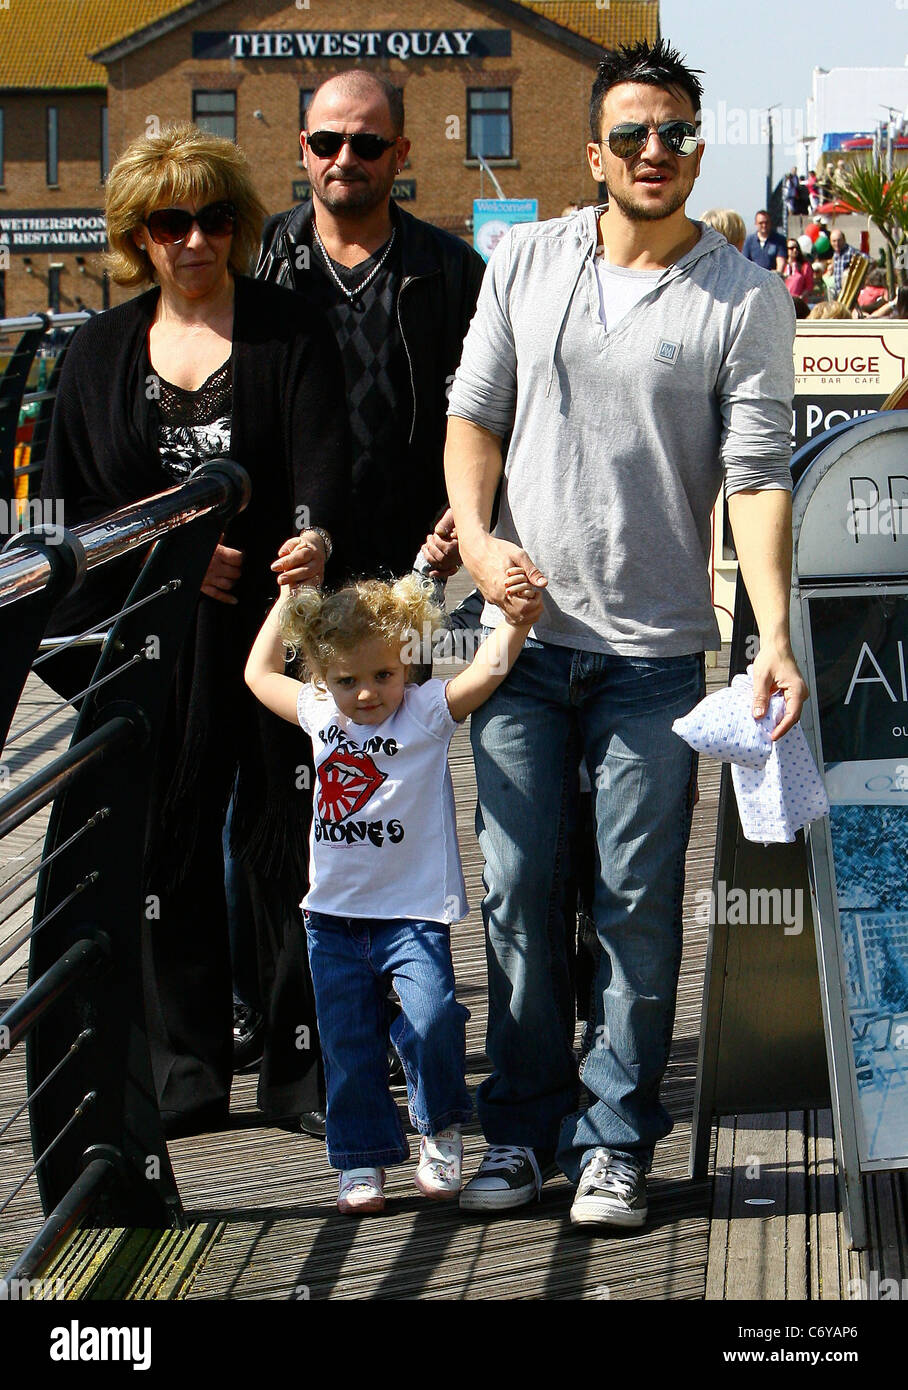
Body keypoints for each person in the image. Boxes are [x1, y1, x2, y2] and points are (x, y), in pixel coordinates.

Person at [444, 37, 808, 1229]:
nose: (657, 152)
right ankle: (520, 1127)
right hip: (516, 646)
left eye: (677, 134)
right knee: (513, 890)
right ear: (593, 151)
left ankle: (610, 1139)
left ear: (695, 149)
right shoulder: (527, 258)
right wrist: (478, 536)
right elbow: (471, 417)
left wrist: (768, 635)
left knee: (637, 902)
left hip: (654, 658)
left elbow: (755, 478)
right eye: (634, 134)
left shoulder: (743, 294)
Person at [40, 124, 350, 1138]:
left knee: (291, 849)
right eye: (170, 222)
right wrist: (165, 557)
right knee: (165, 851)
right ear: (137, 235)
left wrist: (309, 542)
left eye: (214, 219)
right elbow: (79, 511)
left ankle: (302, 1071)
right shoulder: (95, 353)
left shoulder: (288, 331)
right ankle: (188, 1073)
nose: (194, 240)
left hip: (273, 638)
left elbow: (321, 465)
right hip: (160, 645)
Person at [244, 569, 543, 1213]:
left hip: (411, 914)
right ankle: (362, 1158)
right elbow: (260, 674)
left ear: (407, 660)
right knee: (348, 1044)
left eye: (383, 674)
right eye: (347, 680)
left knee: (433, 1018)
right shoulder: (320, 712)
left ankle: (438, 1125)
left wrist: (516, 624)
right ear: (323, 678)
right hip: (332, 917)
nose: (367, 693)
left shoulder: (427, 712)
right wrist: (289, 600)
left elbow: (484, 673)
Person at [256, 68, 486, 582]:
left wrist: (465, 515)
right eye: (326, 141)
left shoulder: (452, 269)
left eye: (366, 144)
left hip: (405, 564)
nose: (344, 160)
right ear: (303, 147)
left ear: (400, 152)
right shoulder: (260, 259)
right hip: (279, 561)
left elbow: (497, 405)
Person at [830, 228, 863, 297]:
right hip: (839, 293)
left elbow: (869, 261)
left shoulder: (852, 252)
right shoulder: (836, 253)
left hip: (850, 293)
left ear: (844, 240)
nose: (837, 243)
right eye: (834, 241)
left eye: (839, 240)